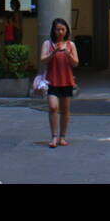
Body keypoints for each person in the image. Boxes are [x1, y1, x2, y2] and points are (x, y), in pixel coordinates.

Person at [41, 18, 79, 148]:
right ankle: (54, 136)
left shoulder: (70, 45)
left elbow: (75, 63)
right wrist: (54, 52)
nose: (61, 32)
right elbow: (43, 60)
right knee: (53, 107)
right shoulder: (47, 44)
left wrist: (68, 54)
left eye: (63, 29)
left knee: (65, 110)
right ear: (53, 30)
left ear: (67, 30)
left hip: (66, 80)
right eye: (58, 29)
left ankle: (62, 136)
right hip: (52, 80)